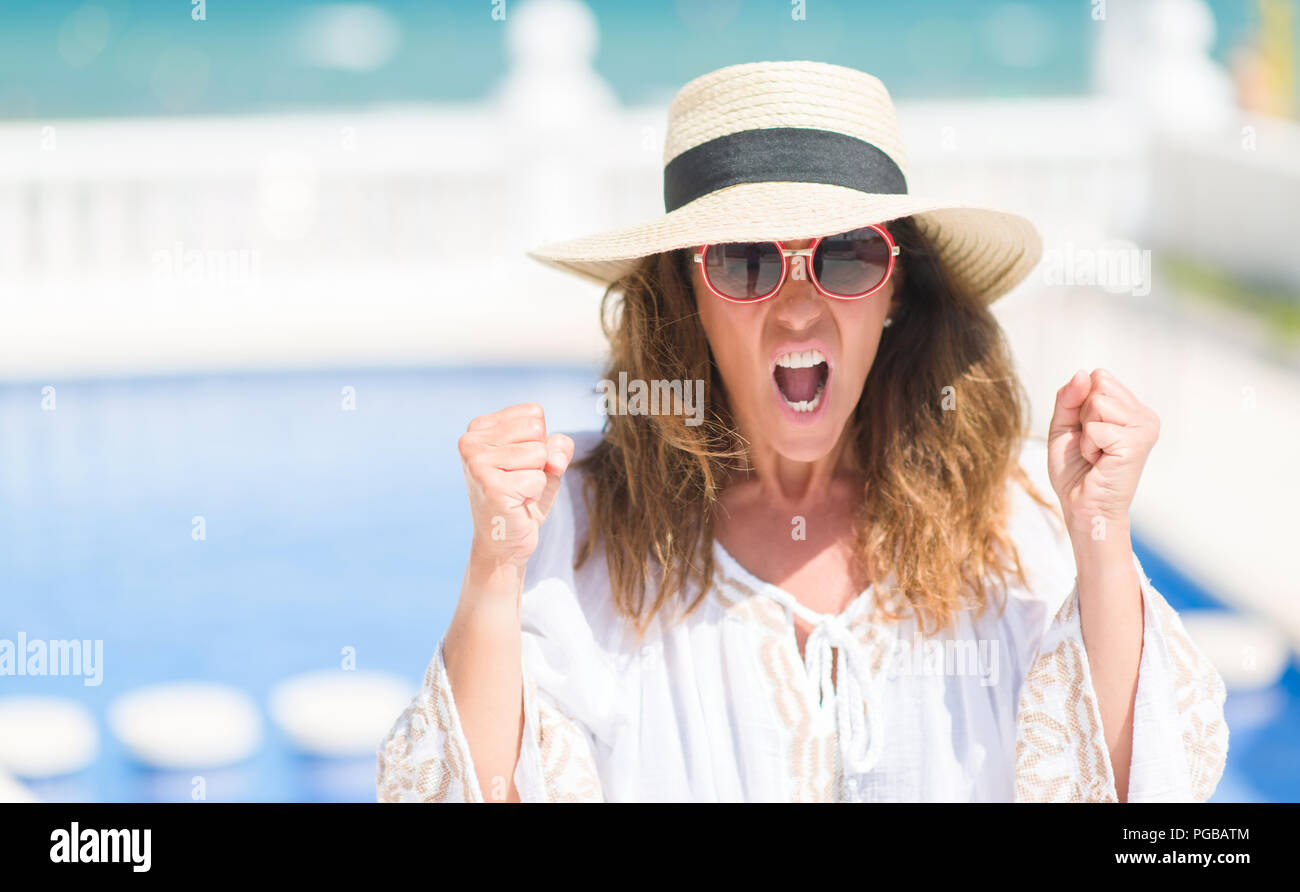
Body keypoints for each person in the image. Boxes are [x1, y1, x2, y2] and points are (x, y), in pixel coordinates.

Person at [377, 61, 1227, 802]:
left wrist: (1103, 538)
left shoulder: (1006, 523)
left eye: (846, 255)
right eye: (744, 260)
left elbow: (1141, 795)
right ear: (689, 295)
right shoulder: (584, 530)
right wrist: (493, 571)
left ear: (897, 292)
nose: (795, 308)